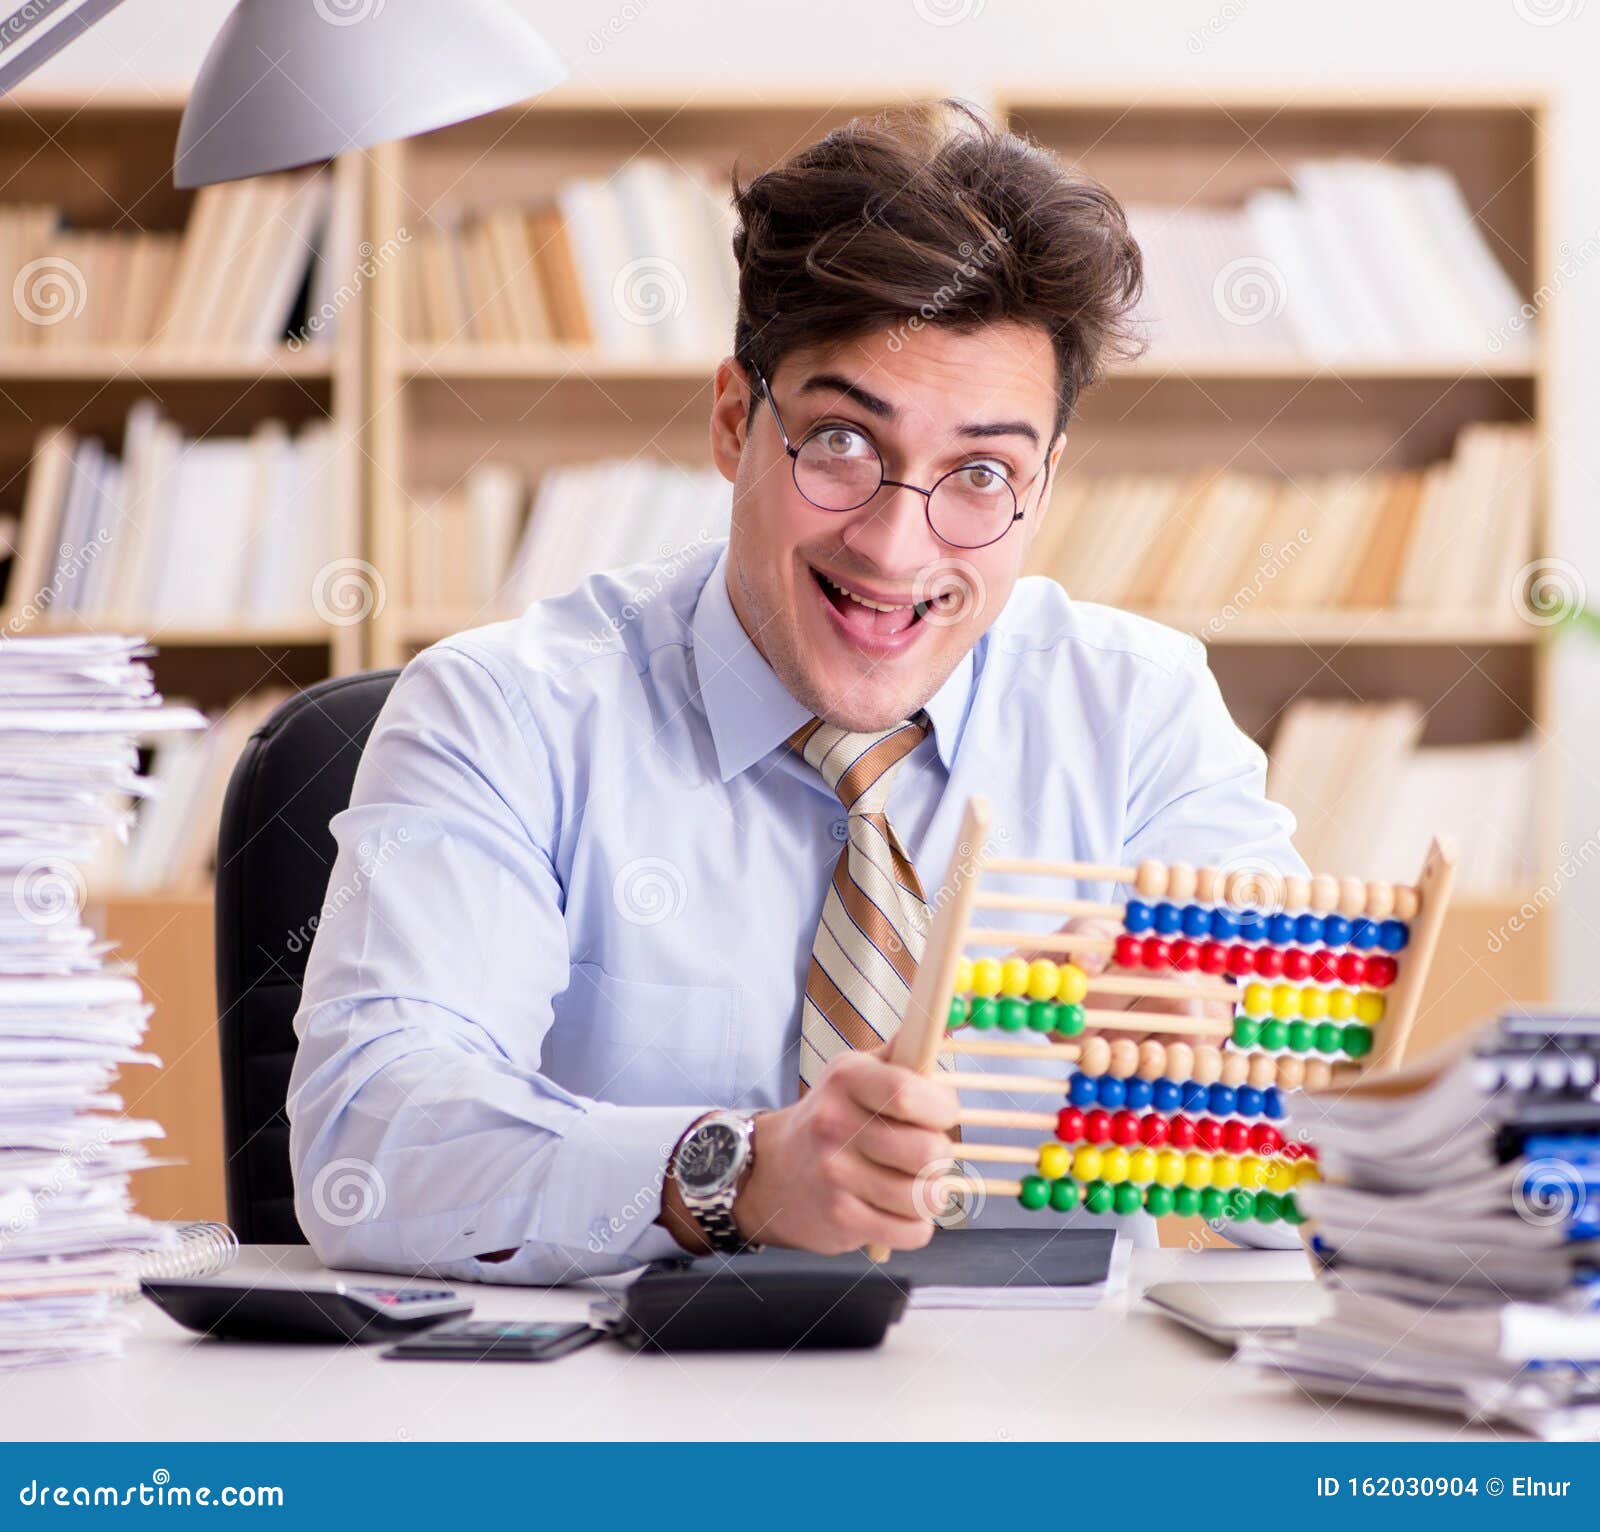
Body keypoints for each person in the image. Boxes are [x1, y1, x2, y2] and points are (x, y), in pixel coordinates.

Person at [287, 100, 1307, 1285]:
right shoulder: (503, 711)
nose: (892, 546)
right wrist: (732, 1174)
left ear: (1046, 480)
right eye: (839, 443)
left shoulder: (1140, 713)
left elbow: (1335, 1185)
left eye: (981, 472)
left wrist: (1228, 1066)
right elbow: (371, 1137)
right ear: (735, 420)